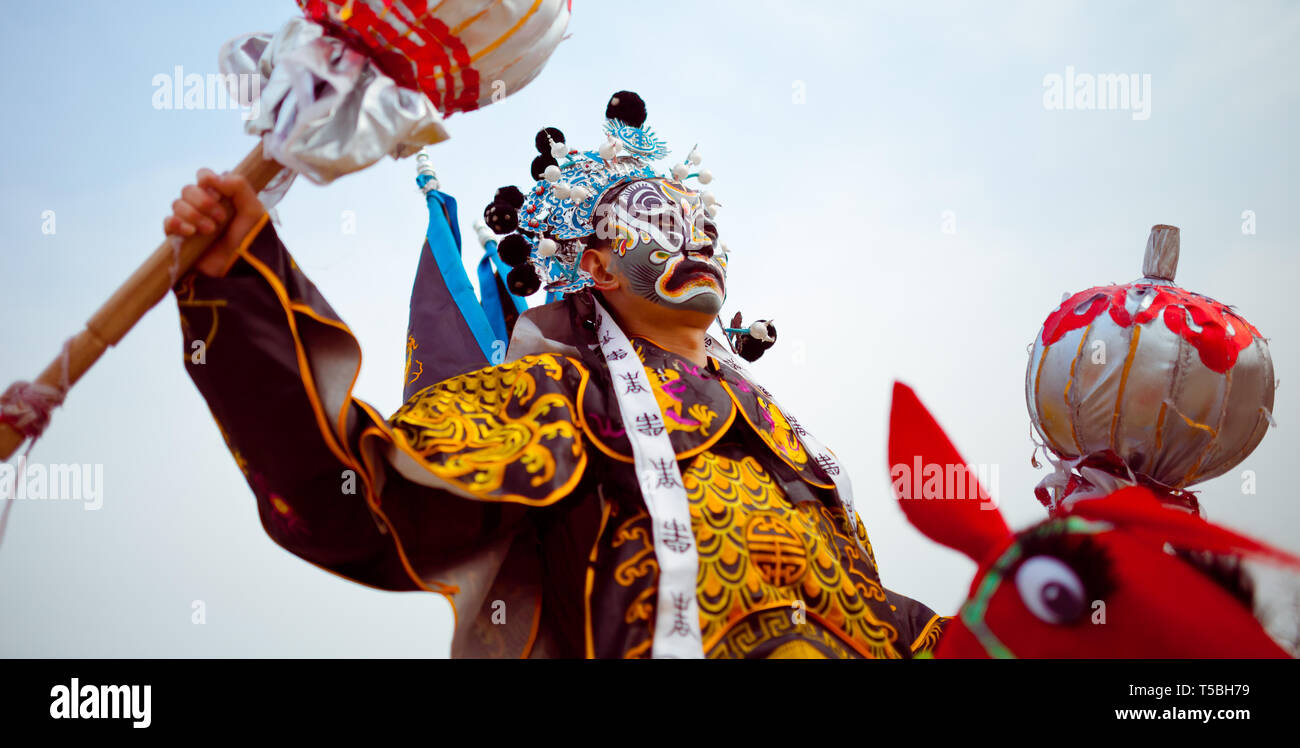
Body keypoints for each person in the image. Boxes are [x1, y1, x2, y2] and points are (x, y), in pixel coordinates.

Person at [167, 91, 947, 658]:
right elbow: (356, 489)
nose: (695, 240)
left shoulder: (790, 442)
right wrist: (242, 290)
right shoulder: (562, 397)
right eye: (658, 220)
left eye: (703, 225)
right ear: (597, 267)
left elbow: (880, 617)